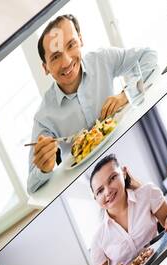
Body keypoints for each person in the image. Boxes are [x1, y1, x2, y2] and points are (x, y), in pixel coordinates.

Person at [26, 13, 157, 193]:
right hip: (91, 187)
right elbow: (31, 187)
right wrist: (44, 168)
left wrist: (125, 95)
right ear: (45, 67)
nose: (67, 62)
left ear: (80, 40)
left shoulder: (102, 59)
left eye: (71, 45)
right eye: (55, 57)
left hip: (131, 151)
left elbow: (150, 57)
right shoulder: (44, 117)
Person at [86, 155, 167, 265]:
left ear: (123, 173)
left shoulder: (147, 193)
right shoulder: (98, 239)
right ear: (95, 198)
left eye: (112, 178)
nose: (107, 192)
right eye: (100, 191)